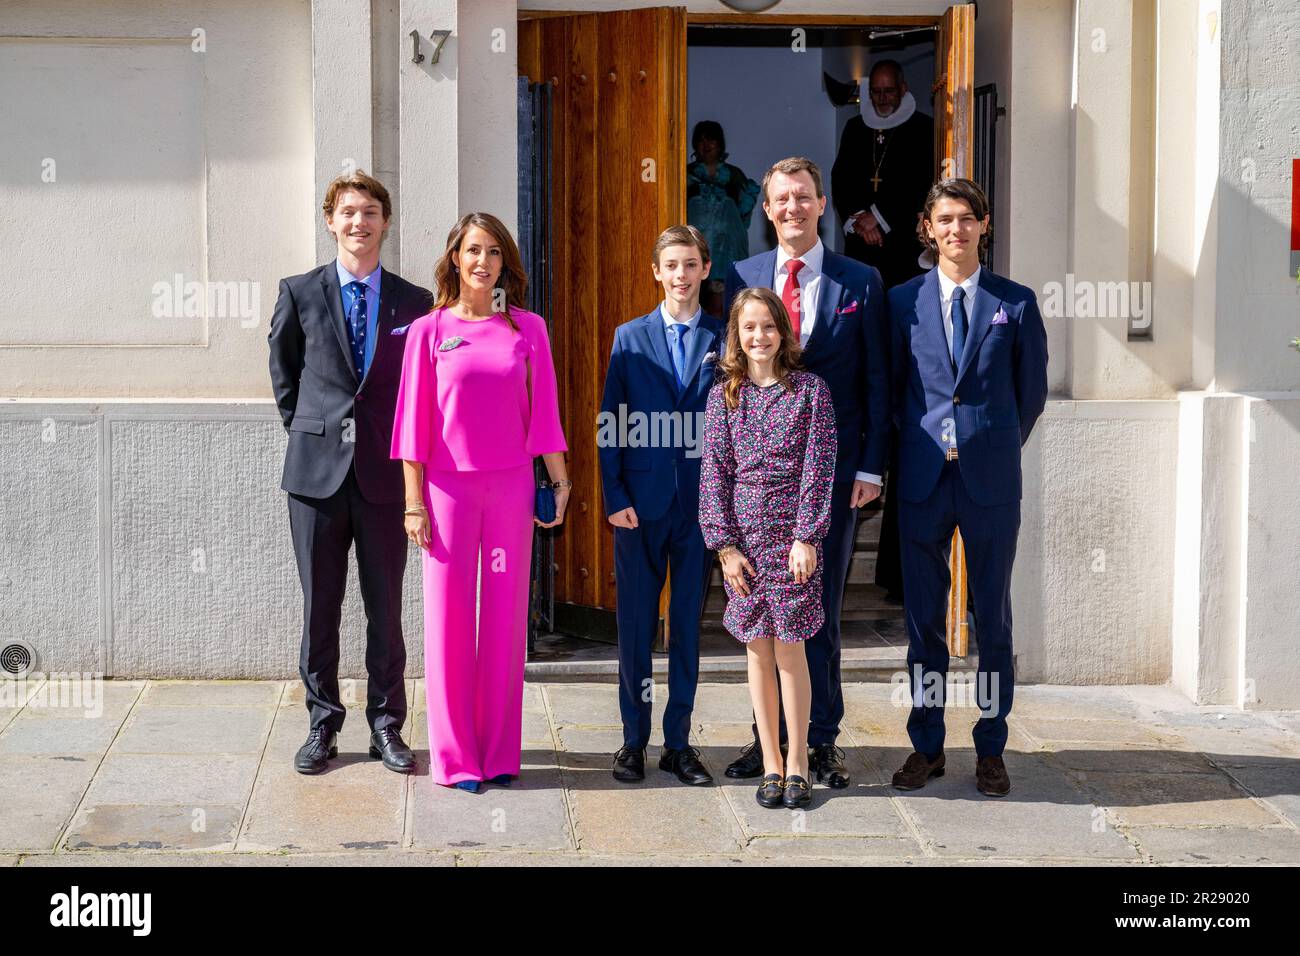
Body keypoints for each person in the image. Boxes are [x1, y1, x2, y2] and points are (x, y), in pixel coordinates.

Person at [722, 157, 890, 790]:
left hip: (832, 480)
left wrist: (872, 465)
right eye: (780, 200)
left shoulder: (862, 281)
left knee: (817, 610)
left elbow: (878, 379)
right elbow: (731, 376)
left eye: (803, 197)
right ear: (766, 211)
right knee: (760, 621)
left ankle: (819, 741)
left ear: (822, 204)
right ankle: (768, 742)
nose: (791, 208)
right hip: (756, 495)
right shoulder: (742, 279)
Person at [391, 212, 569, 793]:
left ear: (504, 265)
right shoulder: (428, 331)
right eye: (473, 250)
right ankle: (455, 758)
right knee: (446, 623)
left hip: (512, 487)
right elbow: (413, 425)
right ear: (455, 259)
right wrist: (414, 503)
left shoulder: (528, 330)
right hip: (445, 493)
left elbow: (545, 416)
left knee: (503, 621)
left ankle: (498, 753)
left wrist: (560, 484)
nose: (483, 261)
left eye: (494, 252)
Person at [886, 179, 1047, 797]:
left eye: (967, 219)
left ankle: (990, 743)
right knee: (924, 622)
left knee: (993, 619)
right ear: (928, 228)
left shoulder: (1017, 303)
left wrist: (988, 443)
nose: (956, 229)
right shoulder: (902, 302)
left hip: (989, 481)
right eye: (944, 219)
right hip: (924, 481)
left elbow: (1029, 396)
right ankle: (926, 745)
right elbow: (896, 389)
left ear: (984, 225)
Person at [268, 171, 431, 776]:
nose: (358, 222)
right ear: (330, 221)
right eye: (347, 212)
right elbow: (285, 374)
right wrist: (312, 430)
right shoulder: (299, 291)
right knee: (321, 608)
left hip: (387, 478)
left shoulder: (413, 303)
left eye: (370, 212)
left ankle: (387, 726)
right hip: (315, 478)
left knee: (385, 608)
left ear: (385, 222)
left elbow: (422, 389)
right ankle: (322, 723)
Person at [700, 287, 838, 809]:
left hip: (790, 542)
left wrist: (807, 535)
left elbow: (818, 468)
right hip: (744, 543)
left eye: (768, 326)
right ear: (736, 335)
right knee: (757, 649)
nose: (759, 336)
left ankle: (799, 760)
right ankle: (770, 763)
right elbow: (713, 473)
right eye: (748, 328)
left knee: (790, 649)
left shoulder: (811, 392)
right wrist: (724, 547)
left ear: (783, 332)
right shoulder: (724, 396)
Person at [599, 225, 722, 788]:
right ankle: (633, 739)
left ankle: (679, 743)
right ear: (656, 271)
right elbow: (611, 421)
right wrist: (615, 495)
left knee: (688, 630)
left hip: (700, 507)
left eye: (690, 264)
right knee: (635, 628)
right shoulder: (629, 337)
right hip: (639, 506)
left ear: (703, 269)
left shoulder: (725, 341)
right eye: (671, 265)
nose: (681, 275)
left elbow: (733, 428)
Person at [830, 59, 934, 290]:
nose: (882, 98)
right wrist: (859, 219)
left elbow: (921, 183)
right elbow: (841, 178)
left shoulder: (923, 128)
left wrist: (878, 217)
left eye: (888, 91)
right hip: (861, 240)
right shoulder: (855, 127)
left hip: (902, 240)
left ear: (903, 89)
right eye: (876, 92)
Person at [687, 121, 761, 317]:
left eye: (711, 138)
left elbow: (744, 212)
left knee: (725, 308)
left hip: (727, 250)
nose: (706, 144)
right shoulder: (684, 175)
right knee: (693, 305)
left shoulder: (734, 175)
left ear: (720, 143)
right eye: (700, 140)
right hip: (695, 248)